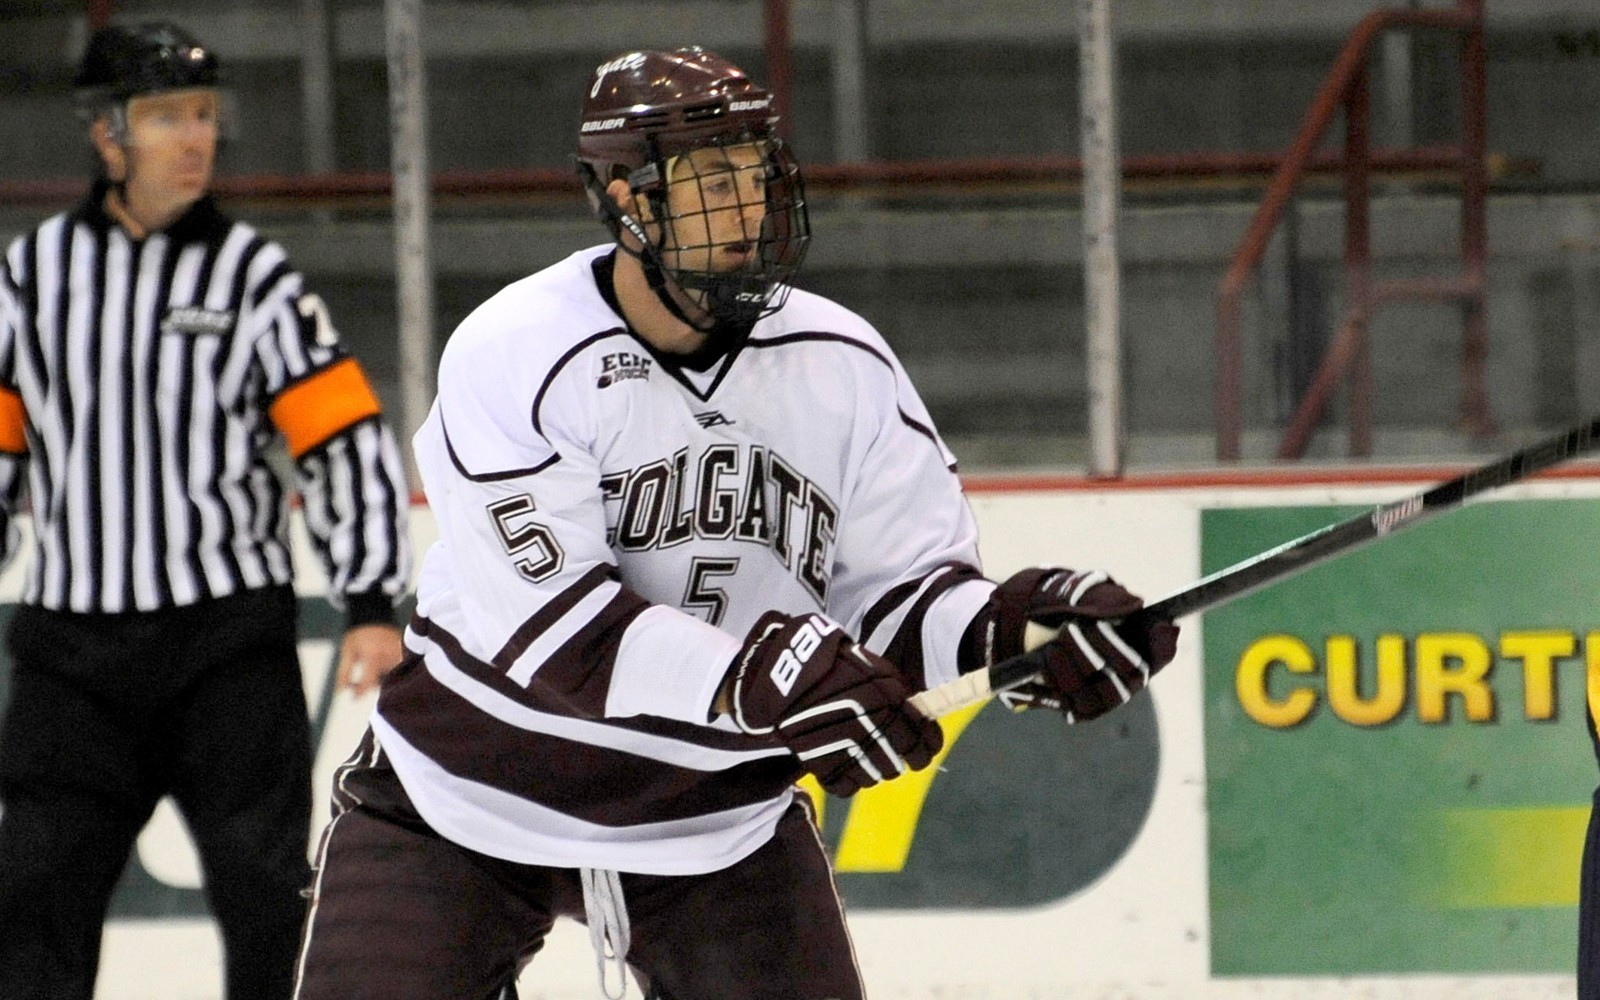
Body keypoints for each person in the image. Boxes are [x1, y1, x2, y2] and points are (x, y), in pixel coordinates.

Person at [291, 47, 1177, 1000]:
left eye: (755, 171)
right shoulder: (517, 349)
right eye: (713, 177)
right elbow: (558, 635)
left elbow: (900, 600)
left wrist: (1017, 634)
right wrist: (764, 678)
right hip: (464, 796)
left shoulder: (843, 362)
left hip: (714, 817)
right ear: (627, 199)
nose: (749, 204)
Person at [0, 21, 412, 1000]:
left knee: (269, 899)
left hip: (225, 651)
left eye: (204, 116)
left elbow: (341, 435)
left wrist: (371, 599)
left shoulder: (253, 279)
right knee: (32, 904)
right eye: (166, 117)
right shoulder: (30, 277)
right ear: (106, 134)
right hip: (73, 657)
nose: (194, 138)